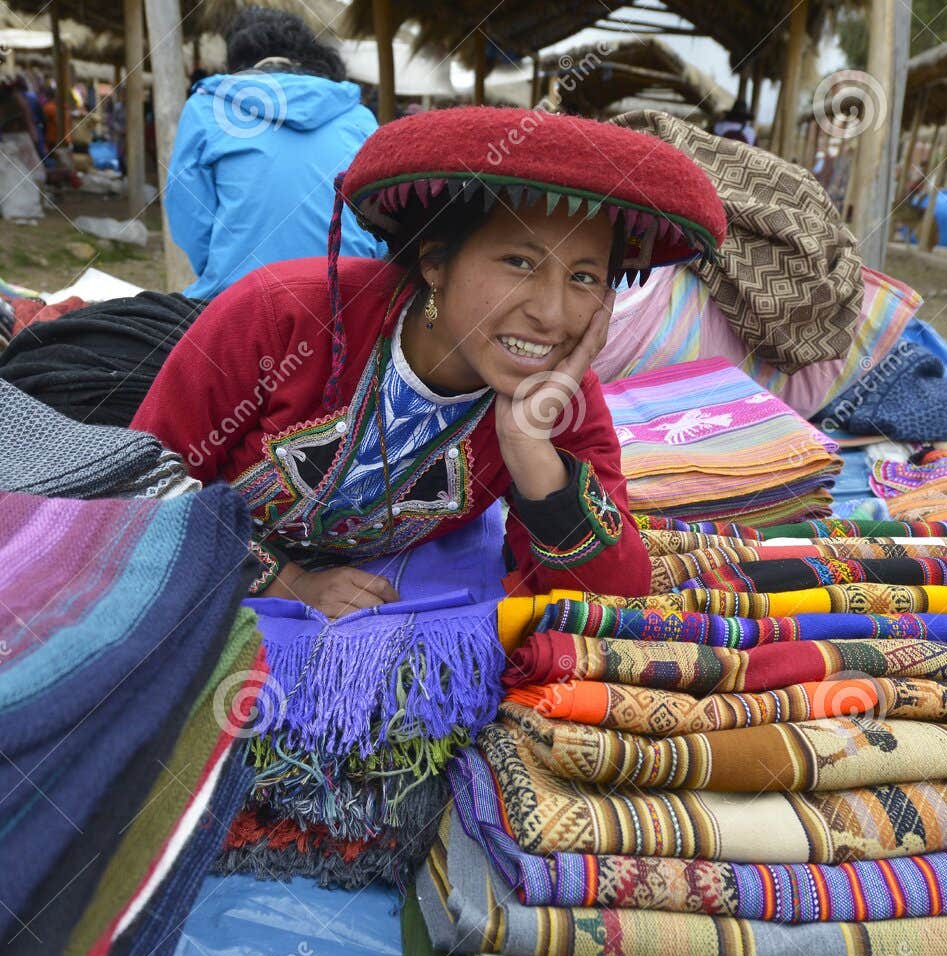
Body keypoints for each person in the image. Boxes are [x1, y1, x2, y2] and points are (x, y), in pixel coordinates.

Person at [134, 106, 727, 618]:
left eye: (583, 278)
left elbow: (610, 601)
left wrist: (528, 452)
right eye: (519, 262)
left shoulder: (560, 404)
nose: (551, 314)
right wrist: (292, 582)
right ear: (435, 261)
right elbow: (139, 484)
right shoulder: (283, 315)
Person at [165, 7, 383, 300]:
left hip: (238, 300)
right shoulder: (359, 118)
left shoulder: (206, 109)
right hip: (348, 301)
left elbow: (189, 216)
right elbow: (382, 225)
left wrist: (228, 266)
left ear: (237, 65)